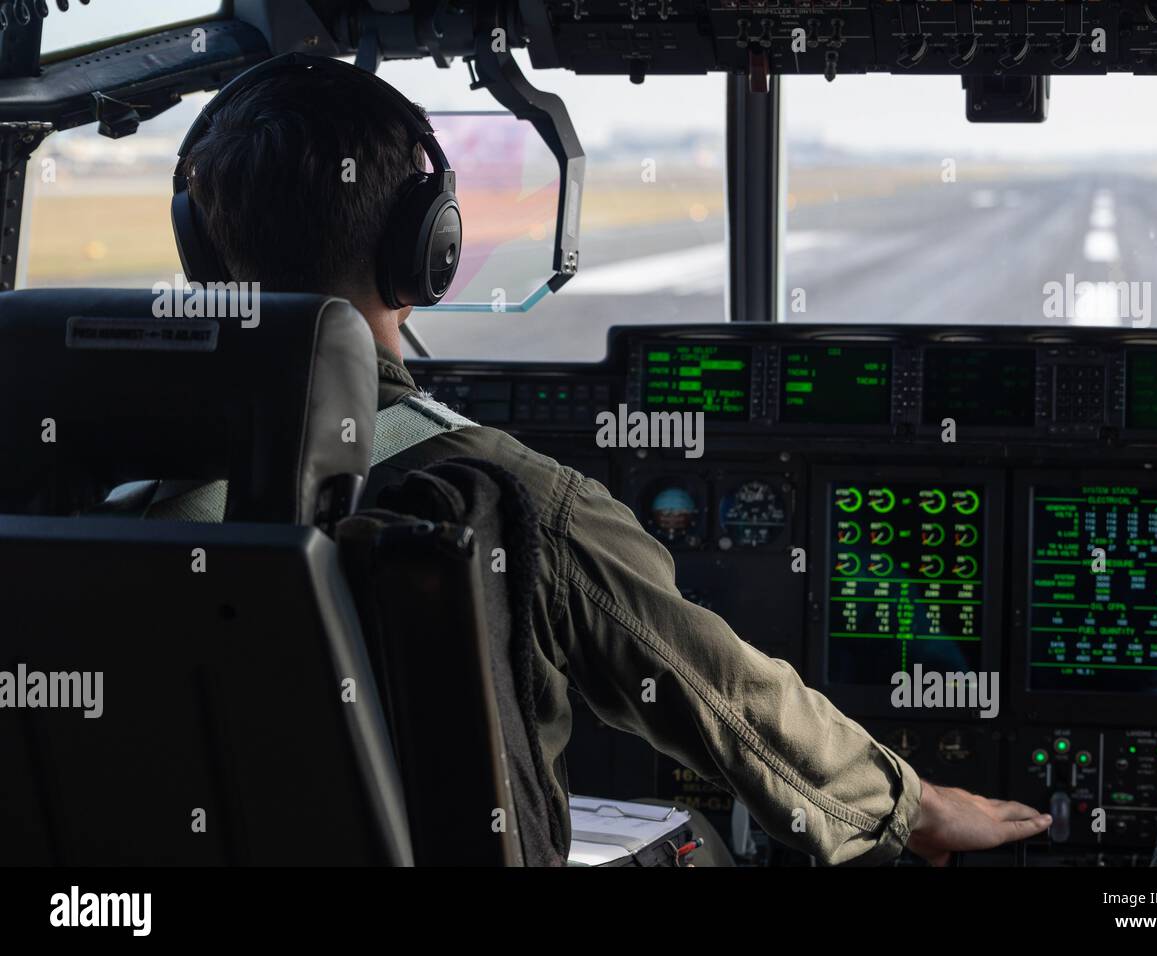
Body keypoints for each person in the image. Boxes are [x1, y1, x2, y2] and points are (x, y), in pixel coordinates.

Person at [181, 60, 1051, 866]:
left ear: (203, 249)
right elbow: (725, 699)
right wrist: (914, 805)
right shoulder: (502, 493)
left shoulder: (107, 489)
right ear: (426, 245)